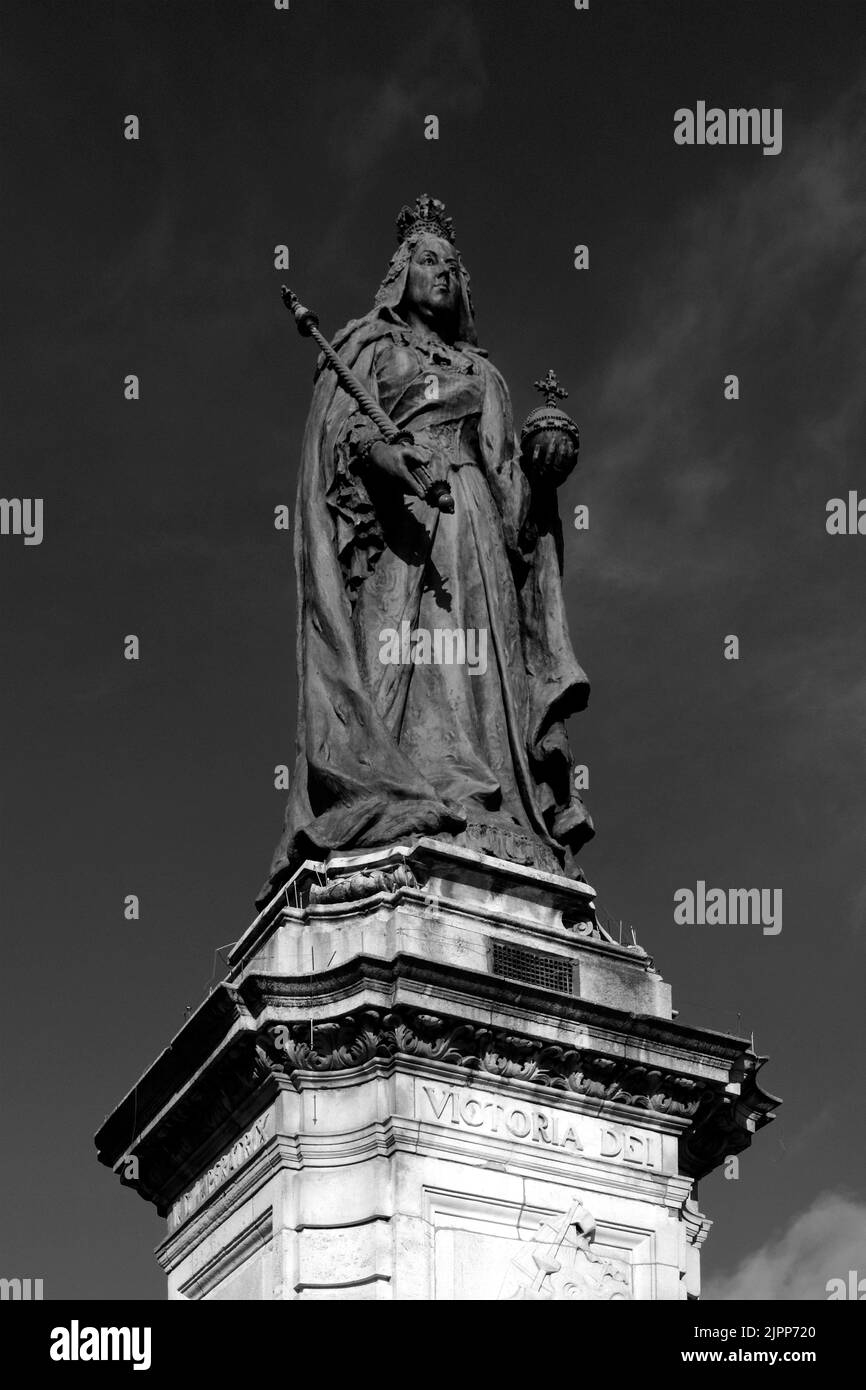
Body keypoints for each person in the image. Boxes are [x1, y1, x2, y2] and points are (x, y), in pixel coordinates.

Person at [259, 195, 593, 908]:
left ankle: (491, 805)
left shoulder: (486, 376)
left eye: (452, 266)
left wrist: (543, 473)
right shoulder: (367, 350)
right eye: (429, 261)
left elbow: (516, 509)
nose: (442, 275)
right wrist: (391, 458)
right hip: (400, 534)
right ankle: (400, 792)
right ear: (401, 272)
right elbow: (341, 440)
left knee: (478, 669)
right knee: (398, 668)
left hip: (472, 528)